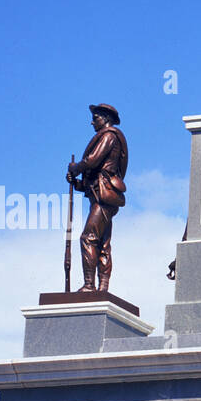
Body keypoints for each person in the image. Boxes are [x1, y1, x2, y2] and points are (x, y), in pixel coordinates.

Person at [67, 103, 127, 293]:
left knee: (88, 237)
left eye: (96, 118)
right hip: (100, 194)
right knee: (102, 242)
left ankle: (90, 285)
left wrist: (75, 168)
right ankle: (102, 287)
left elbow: (93, 160)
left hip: (104, 195)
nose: (92, 122)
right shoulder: (109, 136)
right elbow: (97, 170)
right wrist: (77, 183)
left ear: (106, 119)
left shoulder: (109, 135)